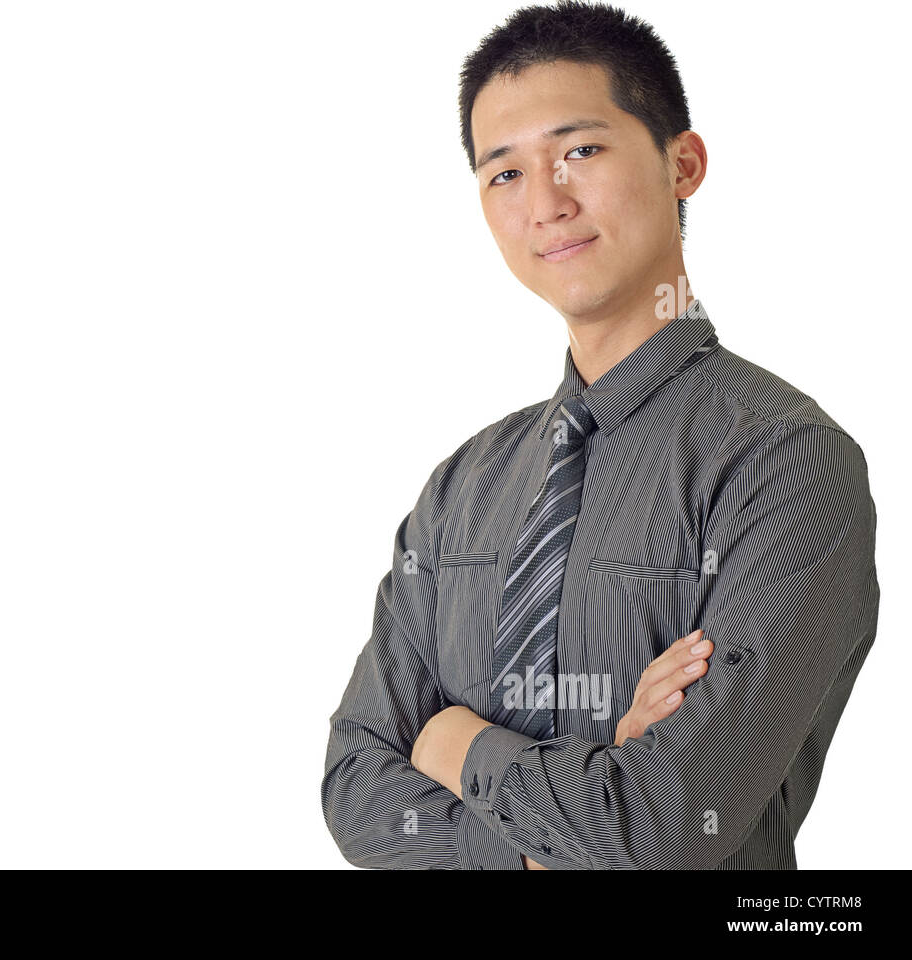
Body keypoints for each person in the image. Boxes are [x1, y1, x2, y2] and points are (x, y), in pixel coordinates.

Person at [321, 0, 879, 870]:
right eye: (503, 173)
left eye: (580, 150)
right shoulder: (463, 487)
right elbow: (355, 785)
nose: (546, 202)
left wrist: (452, 742)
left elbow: (663, 826)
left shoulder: (786, 464)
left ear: (682, 163)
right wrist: (546, 845)